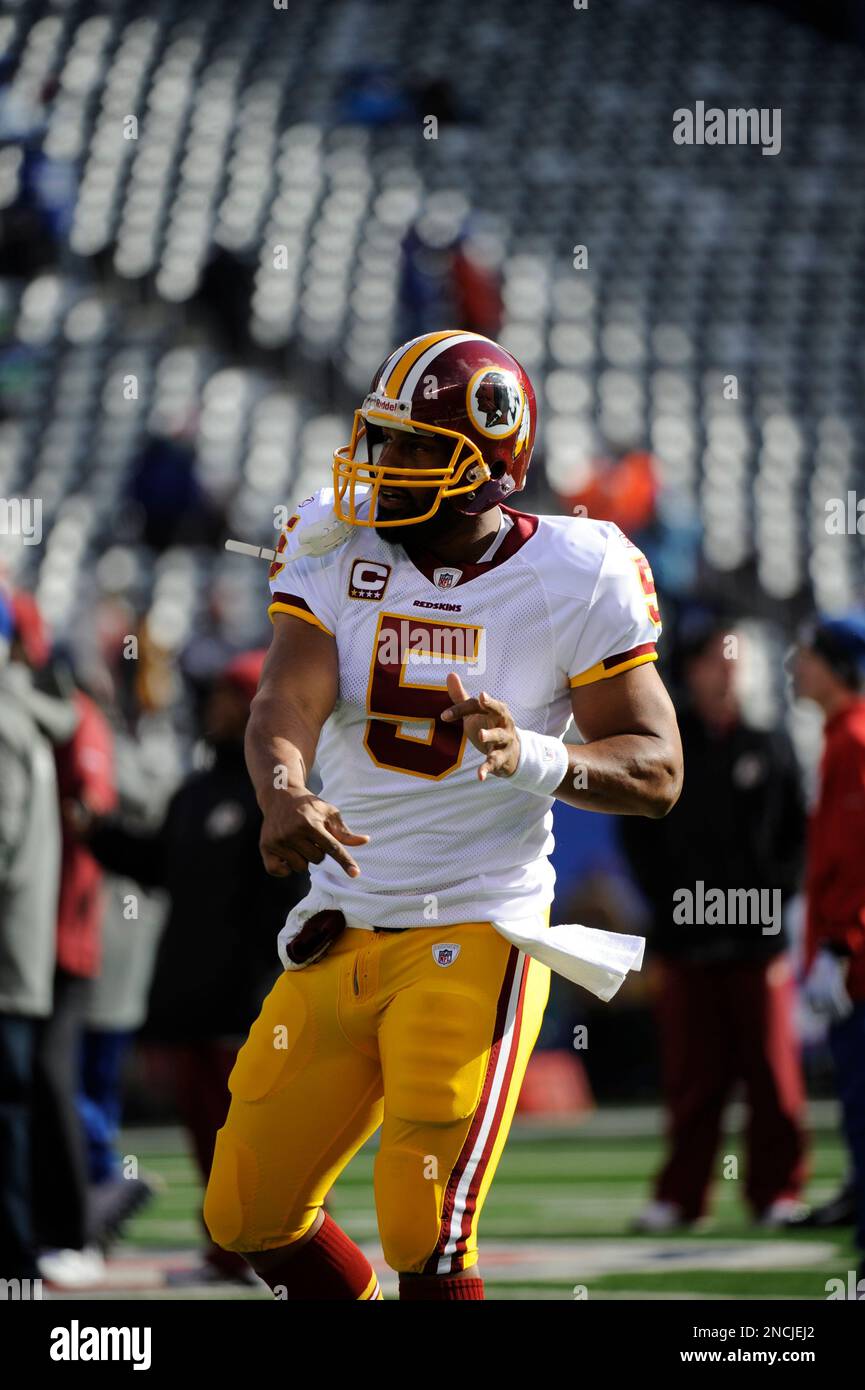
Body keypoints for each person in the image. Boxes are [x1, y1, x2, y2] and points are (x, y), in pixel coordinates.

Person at [204, 330, 684, 1300]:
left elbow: (657, 767)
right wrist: (284, 786)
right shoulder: (332, 543)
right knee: (244, 1212)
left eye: (416, 448)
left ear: (487, 462)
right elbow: (281, 704)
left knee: (425, 1223)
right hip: (340, 923)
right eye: (381, 441)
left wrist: (535, 755)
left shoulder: (578, 570)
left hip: (475, 925)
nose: (382, 467)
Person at [86, 649, 308, 1283]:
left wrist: (268, 990)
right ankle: (226, 1249)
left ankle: (271, 1250)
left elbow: (288, 904)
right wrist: (96, 831)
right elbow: (160, 866)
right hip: (191, 995)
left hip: (247, 1001)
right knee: (208, 1135)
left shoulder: (280, 796)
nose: (215, 709)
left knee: (256, 1140)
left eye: (229, 699)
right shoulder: (196, 791)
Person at [620, 614, 808, 1230]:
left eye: (737, 662)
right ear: (692, 671)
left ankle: (777, 1191)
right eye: (716, 662)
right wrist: (677, 908)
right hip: (688, 941)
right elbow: (640, 836)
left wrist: (763, 906)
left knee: (772, 1077)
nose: (729, 674)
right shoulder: (671, 748)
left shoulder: (769, 744)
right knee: (693, 1080)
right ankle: (682, 1196)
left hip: (756, 944)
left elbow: (793, 843)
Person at [793, 614, 865, 1287]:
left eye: (808, 654)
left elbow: (856, 859)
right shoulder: (839, 738)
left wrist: (841, 946)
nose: (794, 664)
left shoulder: (854, 740)